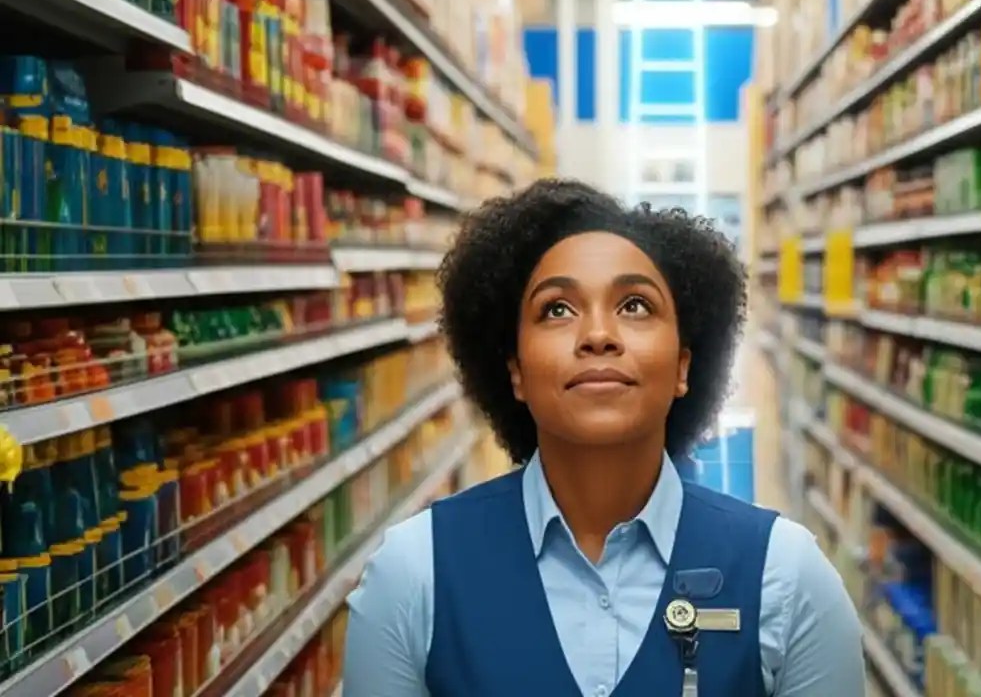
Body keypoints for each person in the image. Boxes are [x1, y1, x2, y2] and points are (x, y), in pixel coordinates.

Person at [343, 179, 867, 696]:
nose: (597, 334)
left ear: (685, 364)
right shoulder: (413, 577)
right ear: (515, 372)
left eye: (635, 305)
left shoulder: (788, 580)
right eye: (557, 309)